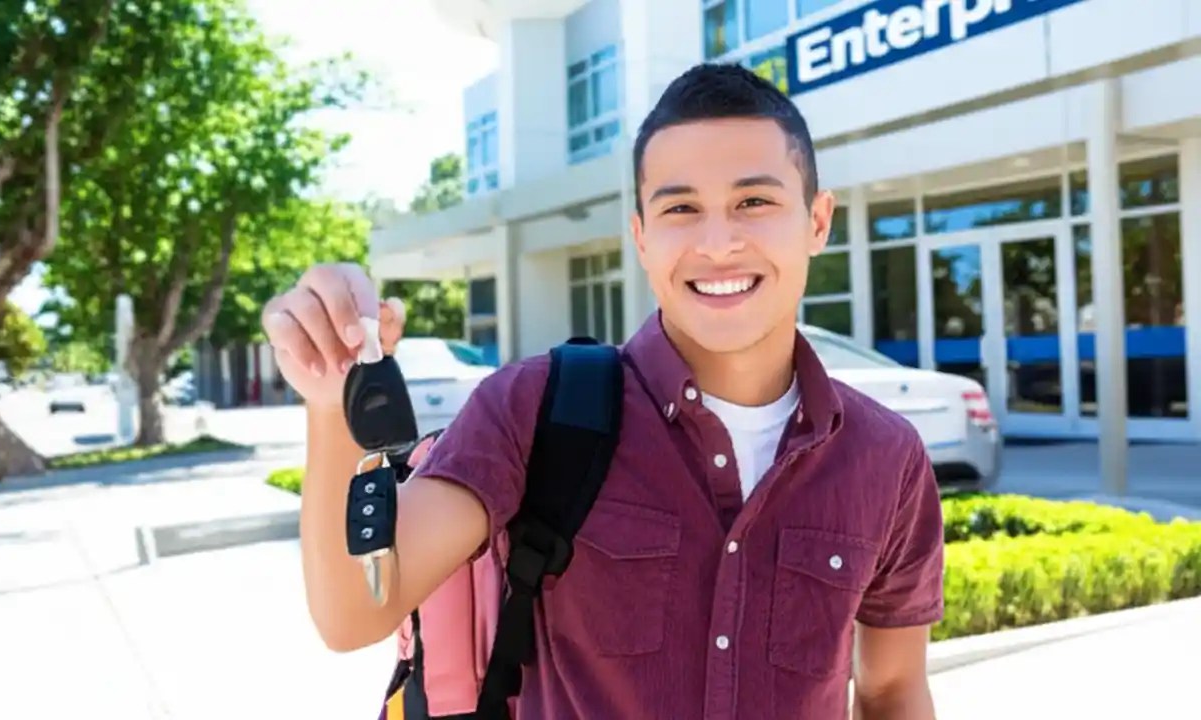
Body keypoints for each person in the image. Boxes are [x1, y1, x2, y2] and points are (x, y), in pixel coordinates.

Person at [263, 62, 943, 719]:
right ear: (642, 238)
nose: (717, 242)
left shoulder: (886, 457)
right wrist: (331, 405)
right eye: (681, 208)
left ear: (817, 222)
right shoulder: (533, 410)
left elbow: (890, 693)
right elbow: (355, 613)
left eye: (754, 201)